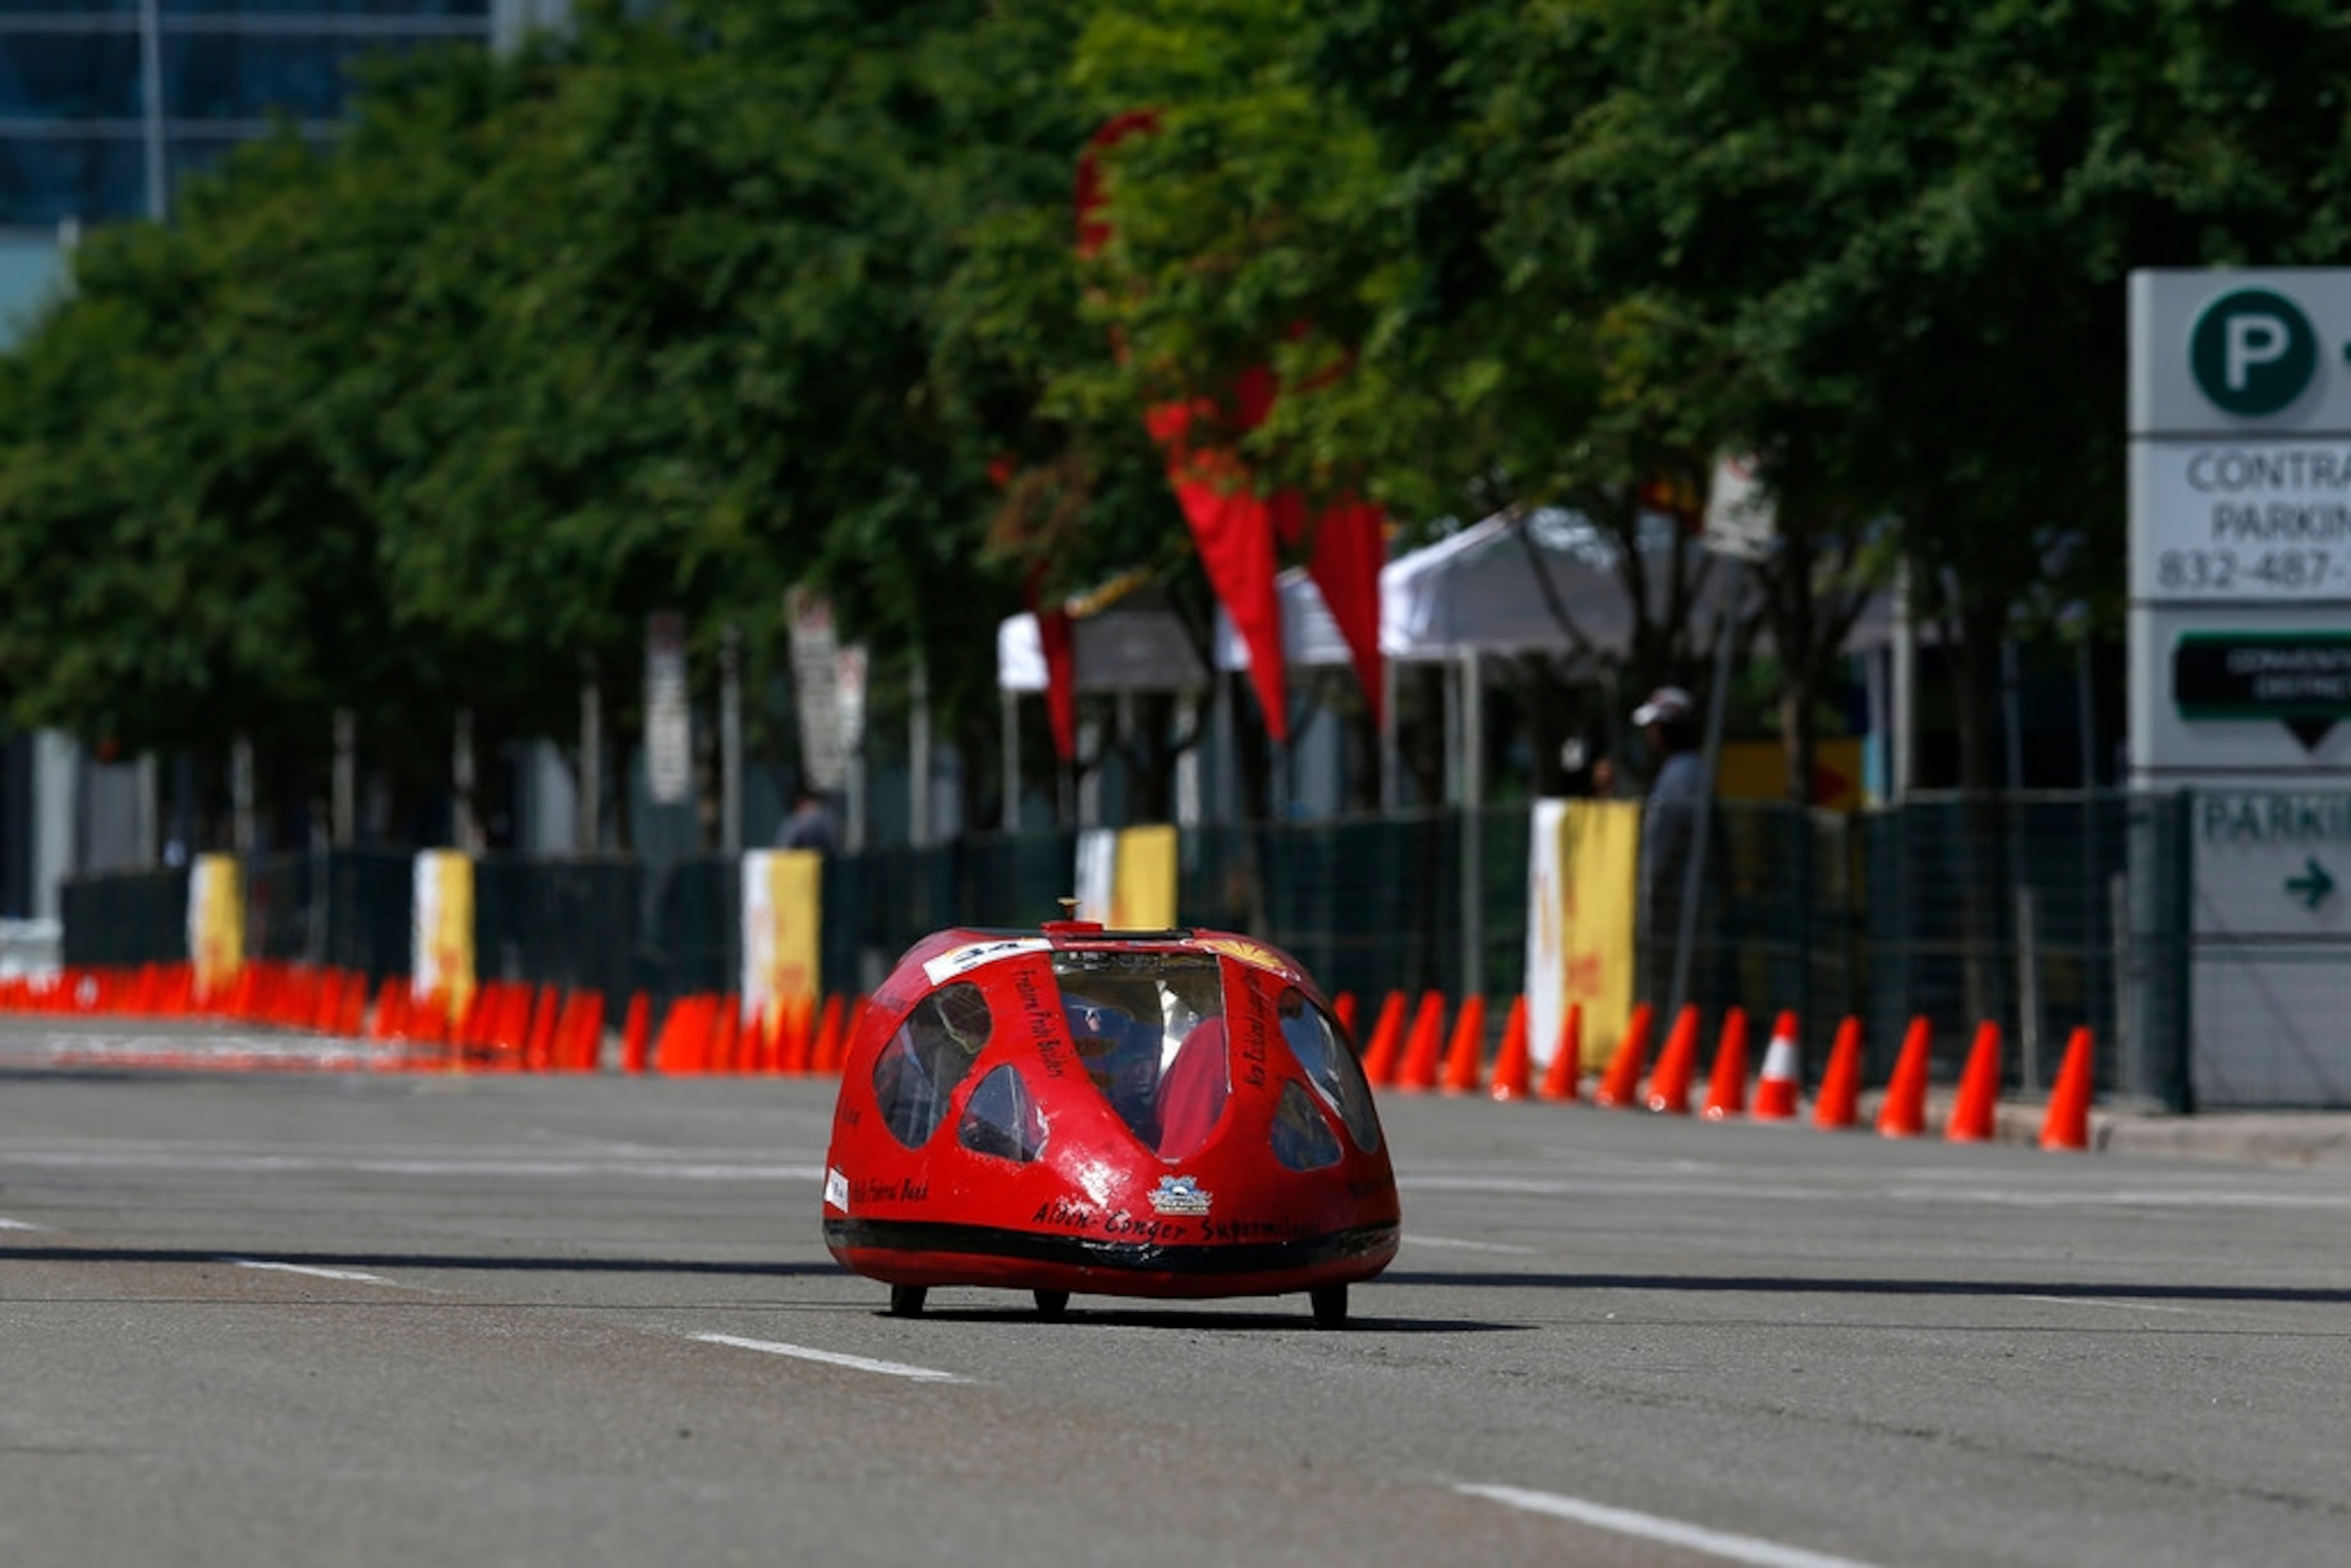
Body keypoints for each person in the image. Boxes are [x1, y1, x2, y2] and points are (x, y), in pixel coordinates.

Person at [1631, 685, 1721, 1007]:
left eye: (1656, 727)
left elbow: (1664, 837)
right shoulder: (1688, 769)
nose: (1651, 735)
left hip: (1680, 897)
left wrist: (1648, 881)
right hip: (1688, 894)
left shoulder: (1681, 774)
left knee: (1676, 978)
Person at [776, 787, 838, 852]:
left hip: (823, 856)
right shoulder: (792, 821)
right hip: (797, 858)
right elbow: (784, 847)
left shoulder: (824, 815)